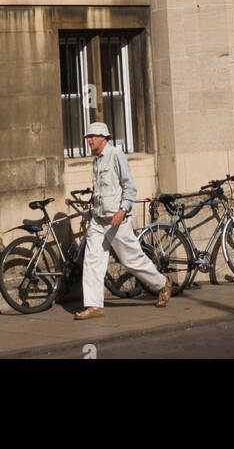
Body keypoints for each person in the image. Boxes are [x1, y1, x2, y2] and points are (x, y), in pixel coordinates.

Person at [74, 121, 171, 319]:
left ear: (103, 137)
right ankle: (94, 306)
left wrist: (122, 209)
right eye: (87, 137)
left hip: (117, 220)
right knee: (92, 261)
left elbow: (129, 187)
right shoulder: (96, 160)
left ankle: (162, 283)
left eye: (91, 137)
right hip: (99, 219)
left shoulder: (115, 155)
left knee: (131, 259)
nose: (88, 140)